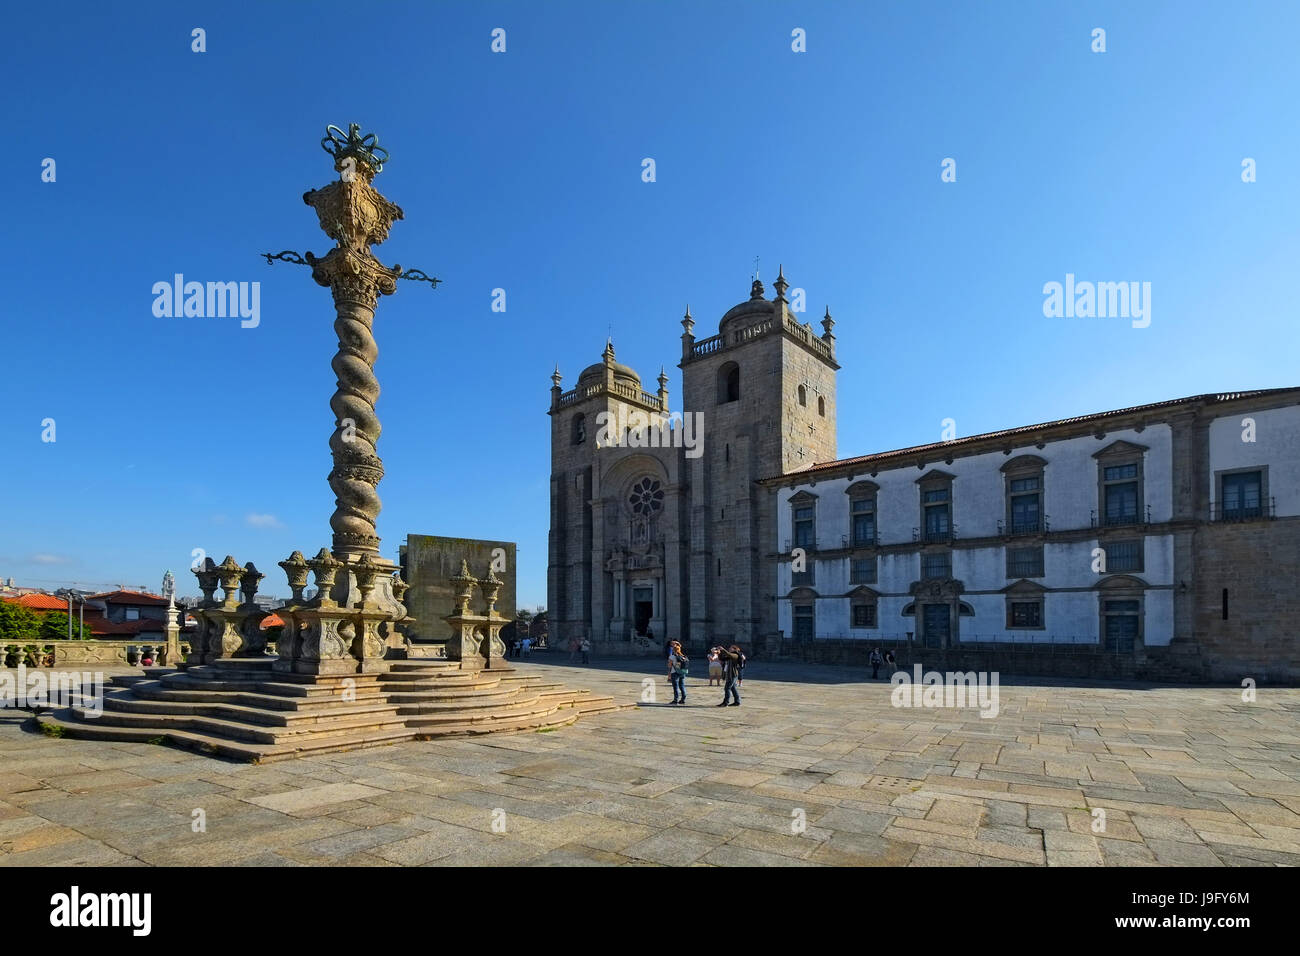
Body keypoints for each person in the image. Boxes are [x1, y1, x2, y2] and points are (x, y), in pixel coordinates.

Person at [667, 640, 689, 705]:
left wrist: (669, 674)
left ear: (673, 650)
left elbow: (669, 666)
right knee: (682, 686)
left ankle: (675, 700)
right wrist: (677, 643)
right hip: (682, 672)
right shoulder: (683, 656)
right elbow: (679, 646)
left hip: (675, 673)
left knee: (675, 687)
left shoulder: (672, 657)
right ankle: (683, 699)